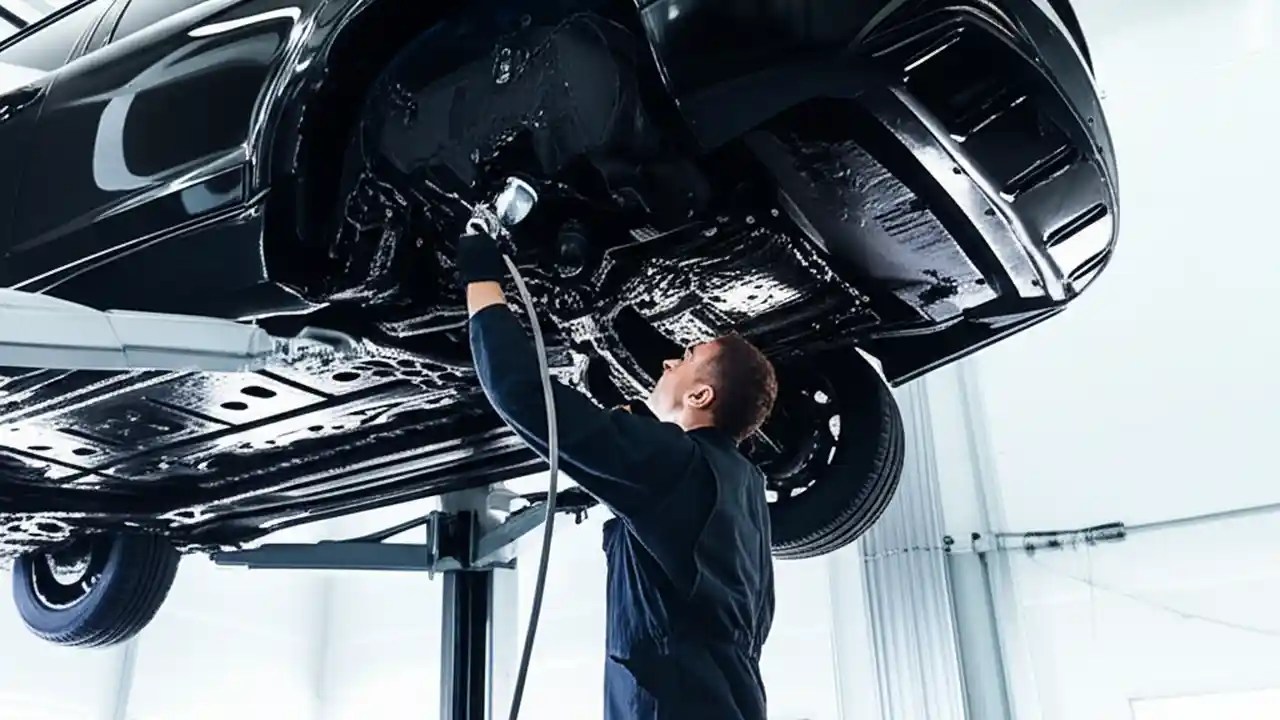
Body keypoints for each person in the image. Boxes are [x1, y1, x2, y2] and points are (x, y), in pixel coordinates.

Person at [455, 223, 779, 719]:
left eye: (688, 358)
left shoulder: (676, 465)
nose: (670, 360)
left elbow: (524, 393)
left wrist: (480, 272)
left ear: (699, 396)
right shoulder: (743, 489)